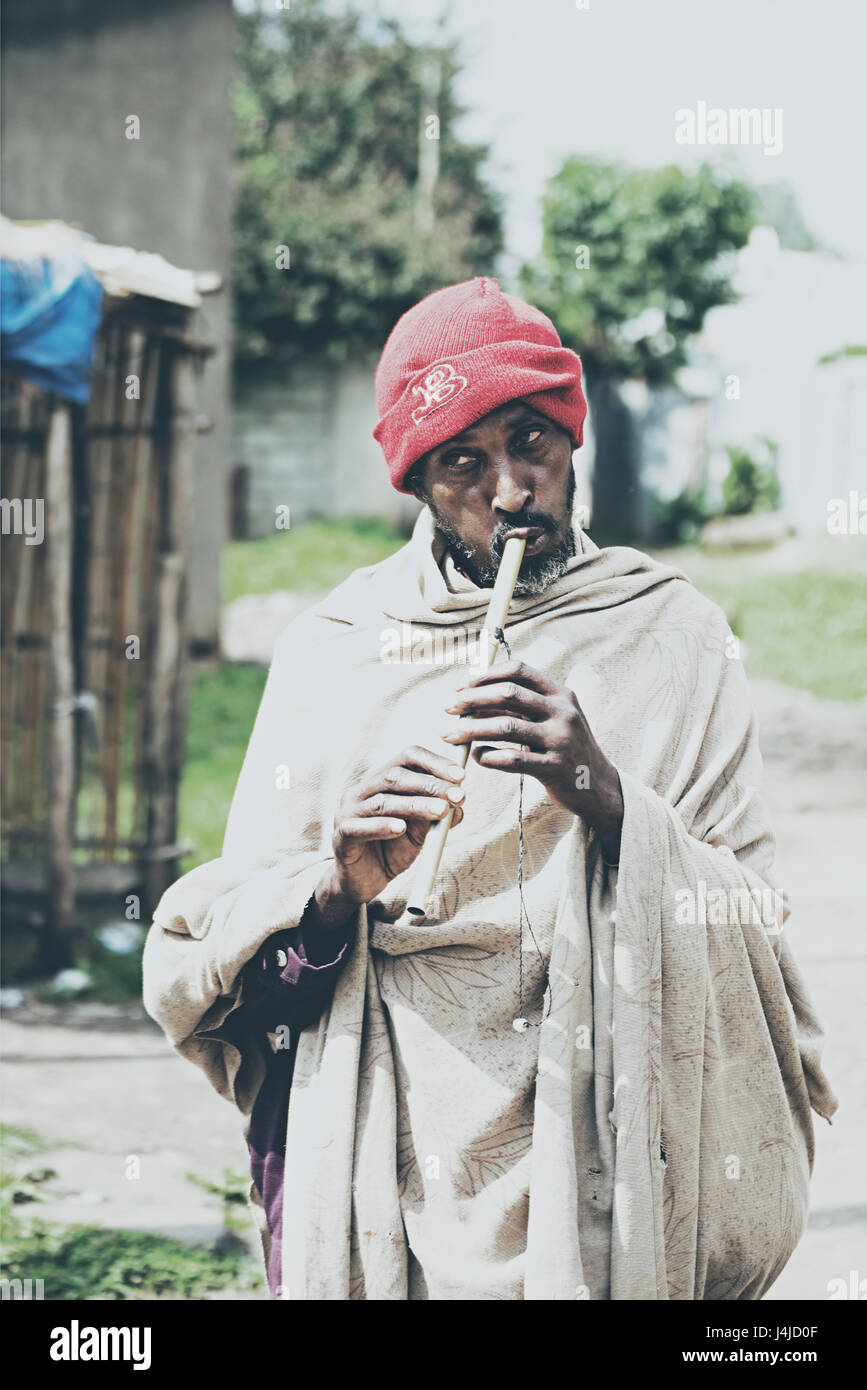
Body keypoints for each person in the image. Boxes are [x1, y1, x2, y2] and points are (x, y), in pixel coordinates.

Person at [143, 276, 836, 1301]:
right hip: (389, 1162)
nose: (512, 490)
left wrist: (607, 799)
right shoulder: (332, 651)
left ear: (574, 439)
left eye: (534, 441)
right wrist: (337, 887)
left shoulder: (675, 633)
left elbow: (749, 939)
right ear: (417, 479)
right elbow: (242, 979)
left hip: (609, 1166)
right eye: (464, 461)